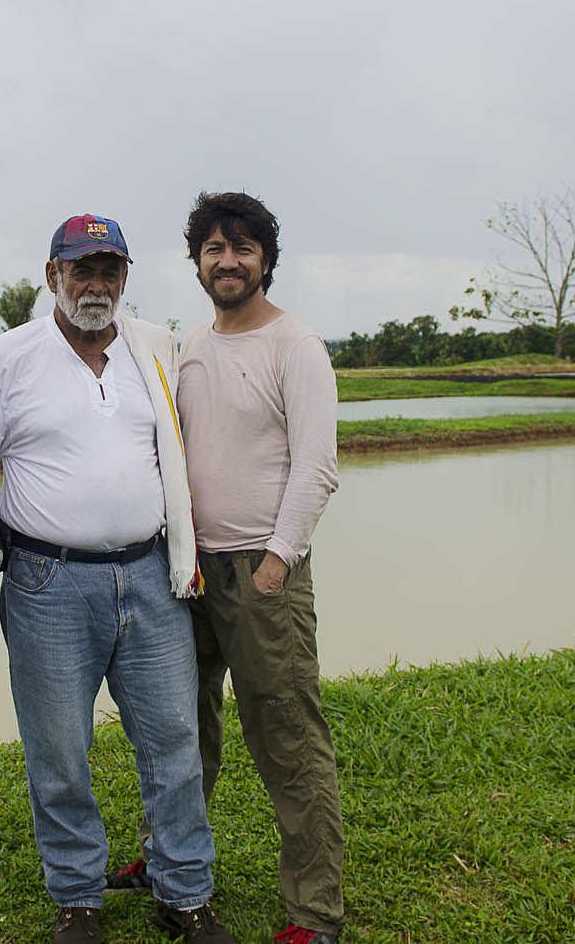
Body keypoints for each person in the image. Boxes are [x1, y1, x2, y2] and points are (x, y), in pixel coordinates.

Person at [0, 215, 235, 944]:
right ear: (52, 274)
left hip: (151, 575)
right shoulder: (6, 359)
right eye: (81, 269)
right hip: (47, 582)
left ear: (125, 278)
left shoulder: (153, 347)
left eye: (110, 271)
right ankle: (77, 898)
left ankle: (184, 892)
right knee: (59, 751)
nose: (96, 285)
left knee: (174, 739)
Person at [170, 190, 346, 944]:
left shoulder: (294, 346)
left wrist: (277, 563)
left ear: (266, 259)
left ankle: (315, 911)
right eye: (213, 248)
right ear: (197, 263)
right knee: (181, 730)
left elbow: (316, 466)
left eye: (242, 247)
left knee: (286, 737)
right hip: (189, 573)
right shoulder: (187, 345)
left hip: (260, 573)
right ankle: (171, 865)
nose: (228, 261)